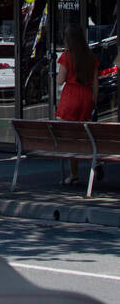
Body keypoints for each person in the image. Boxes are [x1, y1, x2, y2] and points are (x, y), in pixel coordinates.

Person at [57, 23, 100, 187]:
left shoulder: (67, 57)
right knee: (84, 134)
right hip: (86, 96)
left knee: (70, 138)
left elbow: (60, 80)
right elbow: (95, 82)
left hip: (70, 97)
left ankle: (73, 174)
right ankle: (96, 161)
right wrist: (93, 101)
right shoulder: (90, 56)